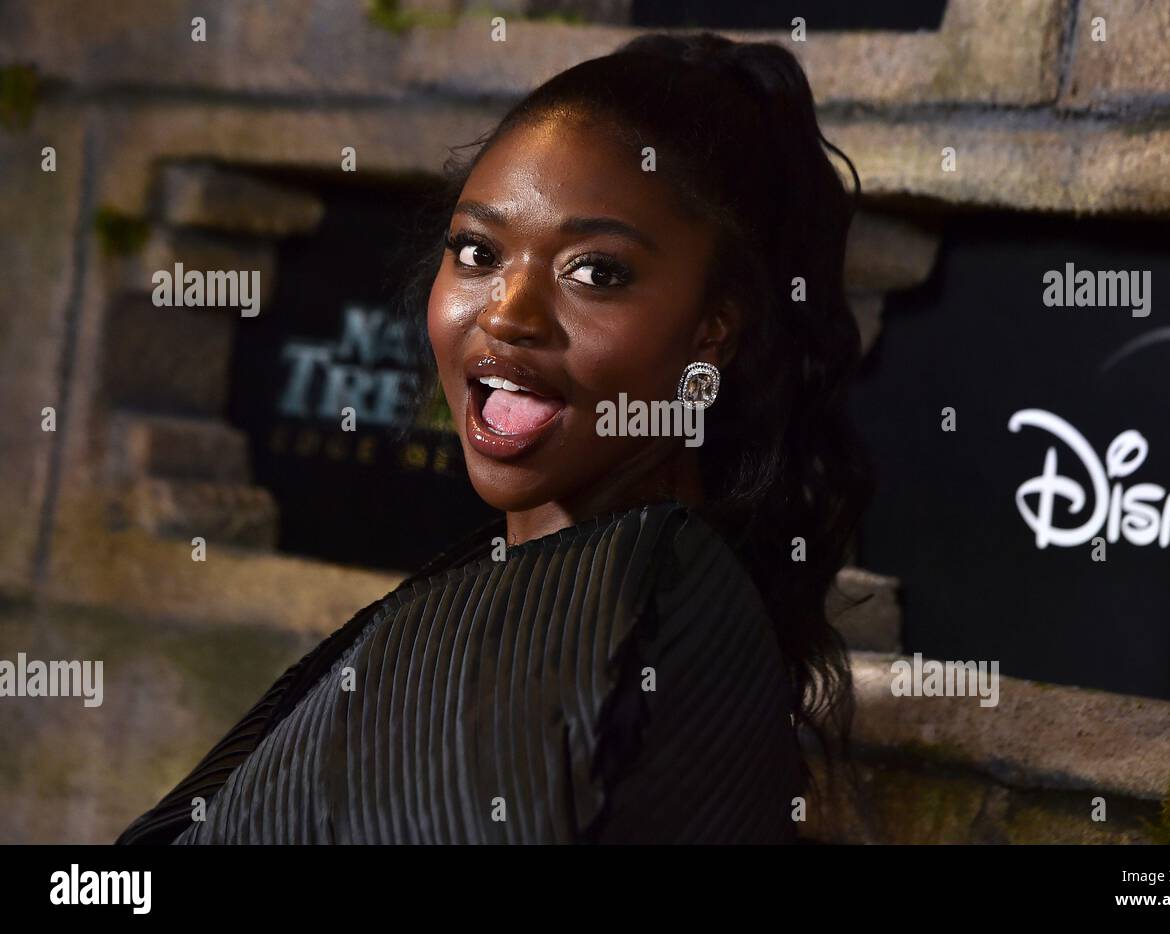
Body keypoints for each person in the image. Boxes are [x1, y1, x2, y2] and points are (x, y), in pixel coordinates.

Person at [117, 31, 868, 845]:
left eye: (596, 272)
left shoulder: (626, 597)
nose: (509, 313)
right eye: (476, 251)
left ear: (712, 331)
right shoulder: (576, 583)